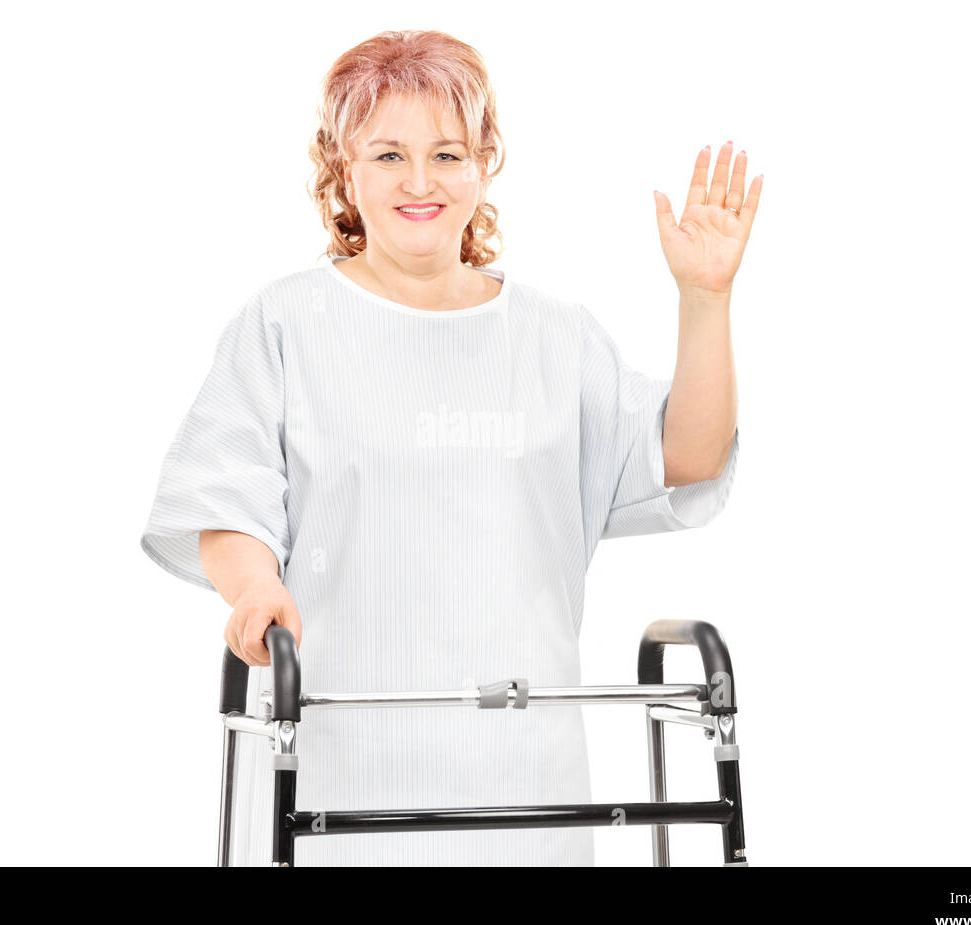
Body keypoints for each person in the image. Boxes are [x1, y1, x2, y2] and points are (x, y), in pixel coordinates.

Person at [139, 29, 759, 866]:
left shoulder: (554, 337)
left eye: (447, 153)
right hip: (338, 781)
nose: (420, 182)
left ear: (485, 161)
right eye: (389, 154)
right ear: (342, 167)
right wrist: (253, 593)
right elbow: (226, 497)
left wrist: (704, 299)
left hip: (527, 785)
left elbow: (686, 456)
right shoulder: (286, 324)